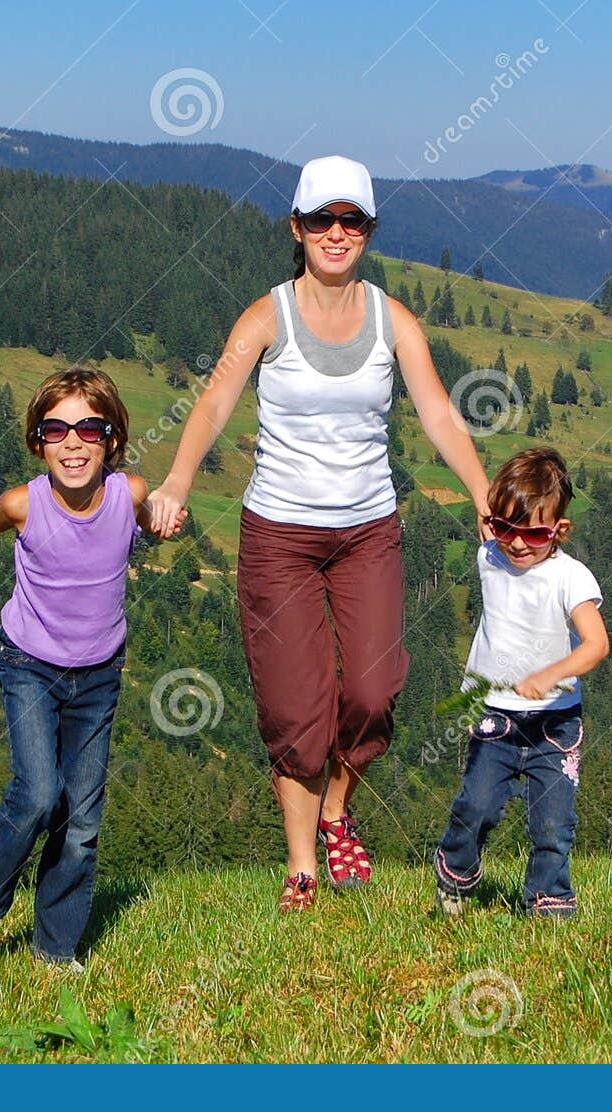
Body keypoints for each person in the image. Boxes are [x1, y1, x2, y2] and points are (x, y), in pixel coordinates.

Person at [146, 155, 492, 911]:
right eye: (322, 220)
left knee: (373, 693)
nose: (337, 234)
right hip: (278, 536)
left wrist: (481, 491)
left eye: (353, 221)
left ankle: (339, 806)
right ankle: (303, 862)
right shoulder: (265, 317)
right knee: (296, 707)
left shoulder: (394, 321)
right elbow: (211, 406)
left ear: (369, 231)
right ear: (296, 228)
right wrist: (175, 480)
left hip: (369, 531)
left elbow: (437, 412)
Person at [0, 368, 155, 966]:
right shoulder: (22, 505)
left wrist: (162, 523)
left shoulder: (126, 494)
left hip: (99, 676)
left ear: (112, 439)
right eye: (56, 429)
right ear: (38, 442)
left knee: (80, 818)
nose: (73, 442)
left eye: (90, 427)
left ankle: (56, 950)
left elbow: (148, 519)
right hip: (29, 665)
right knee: (37, 794)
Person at [435, 448, 609, 919]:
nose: (516, 543)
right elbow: (486, 512)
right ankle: (456, 870)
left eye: (533, 532)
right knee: (478, 806)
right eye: (505, 528)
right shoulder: (490, 553)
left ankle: (549, 901)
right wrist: (490, 509)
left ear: (560, 530)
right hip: (493, 712)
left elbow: (596, 644)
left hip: (555, 722)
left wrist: (550, 675)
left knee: (553, 822)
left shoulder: (571, 578)